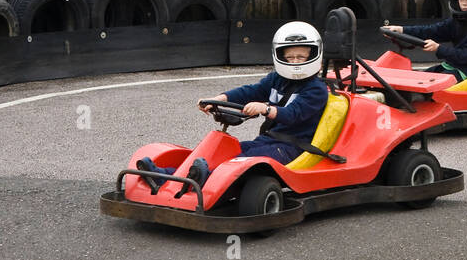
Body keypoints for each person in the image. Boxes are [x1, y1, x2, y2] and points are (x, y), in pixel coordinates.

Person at [136, 22, 329, 191]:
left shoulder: (317, 90)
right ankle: (164, 176)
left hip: (293, 148)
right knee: (225, 151)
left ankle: (202, 180)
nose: (295, 62)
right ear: (281, 56)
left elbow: (293, 114)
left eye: (300, 57)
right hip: (267, 141)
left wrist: (266, 109)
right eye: (290, 57)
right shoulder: (277, 79)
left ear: (313, 56)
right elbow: (251, 91)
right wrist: (220, 98)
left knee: (241, 161)